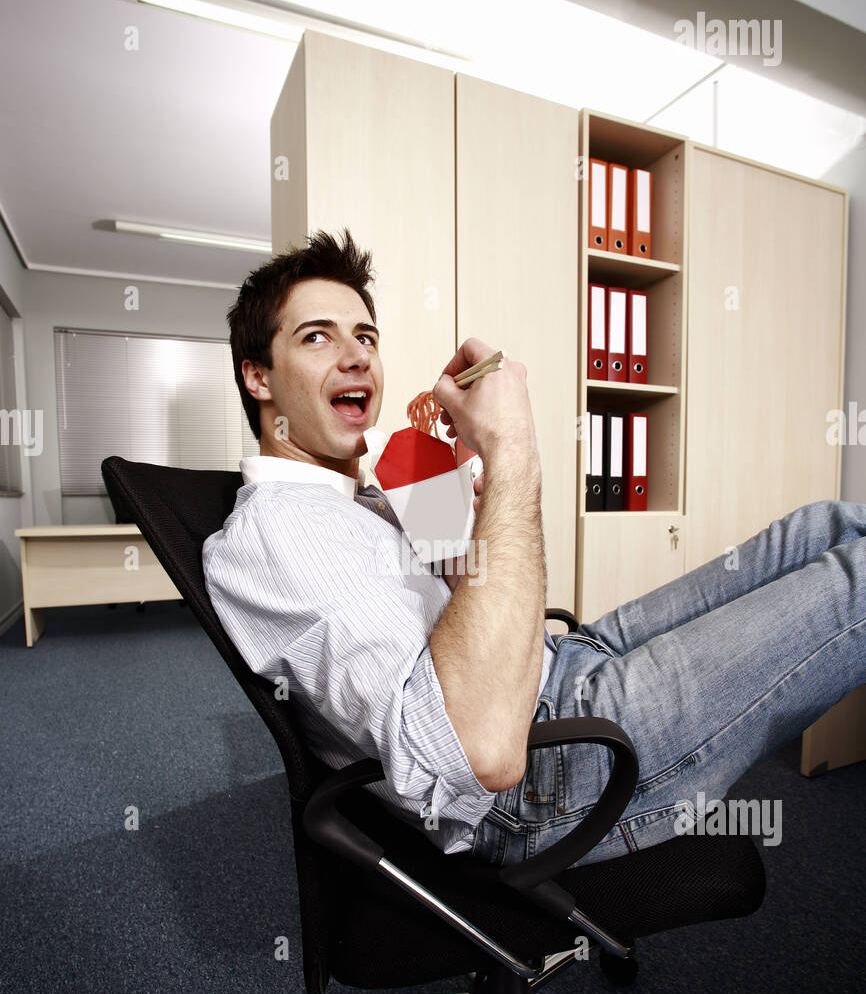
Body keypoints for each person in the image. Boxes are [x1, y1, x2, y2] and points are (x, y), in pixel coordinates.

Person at [203, 227, 866, 870]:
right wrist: (513, 447)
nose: (357, 356)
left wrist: (462, 475)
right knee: (856, 581)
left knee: (818, 529)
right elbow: (482, 751)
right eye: (317, 337)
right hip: (545, 768)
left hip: (550, 667)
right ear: (258, 377)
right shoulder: (280, 529)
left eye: (366, 336)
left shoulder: (354, 500)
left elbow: (474, 595)